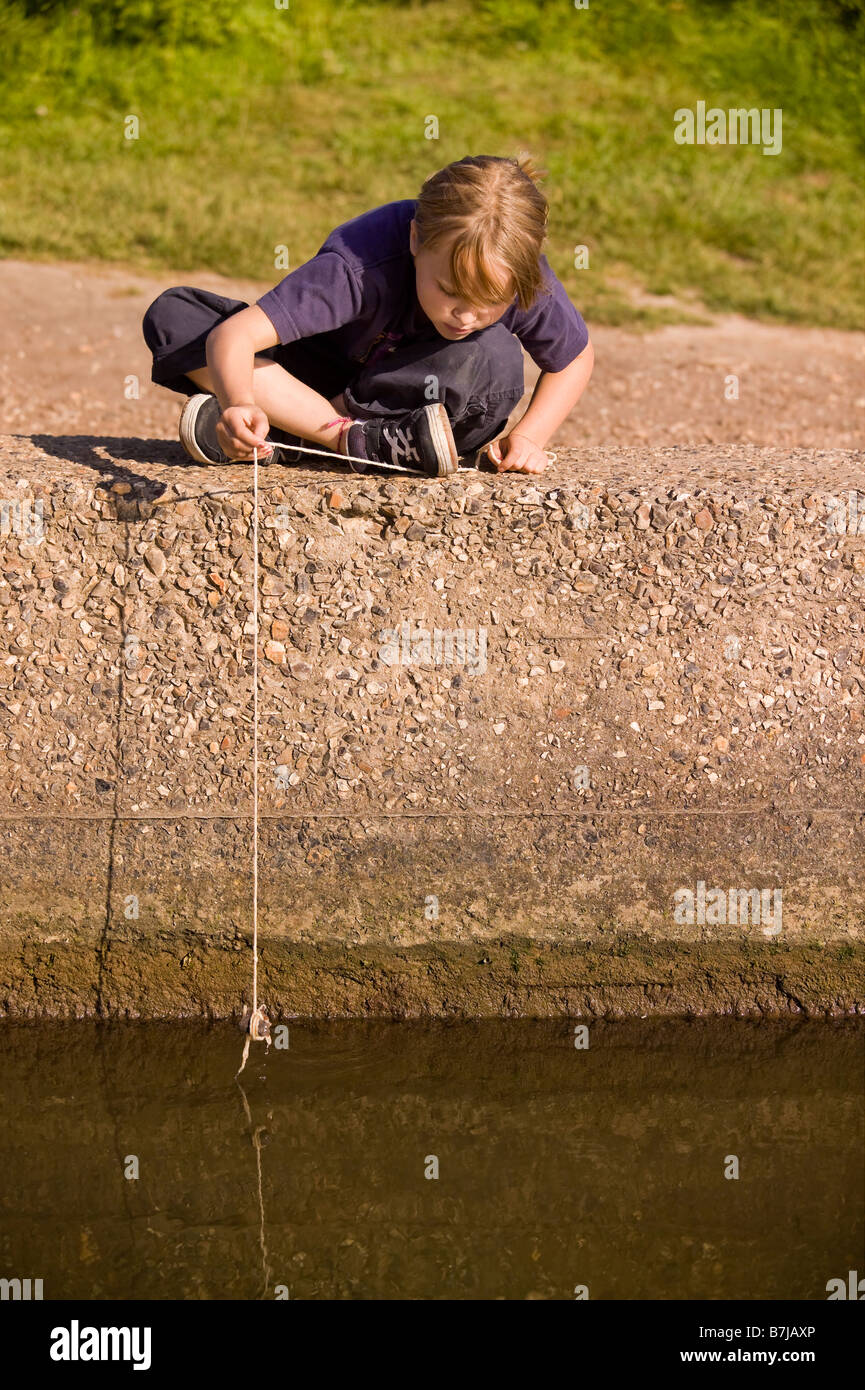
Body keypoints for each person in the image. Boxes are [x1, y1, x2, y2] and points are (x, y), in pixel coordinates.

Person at [142, 153, 594, 477]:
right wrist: (239, 400)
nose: (467, 314)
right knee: (175, 316)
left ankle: (293, 437)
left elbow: (573, 357)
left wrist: (531, 435)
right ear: (416, 241)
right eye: (450, 291)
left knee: (493, 358)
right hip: (314, 379)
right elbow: (236, 338)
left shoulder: (517, 269)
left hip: (414, 407)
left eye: (491, 302)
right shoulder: (360, 263)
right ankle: (335, 439)